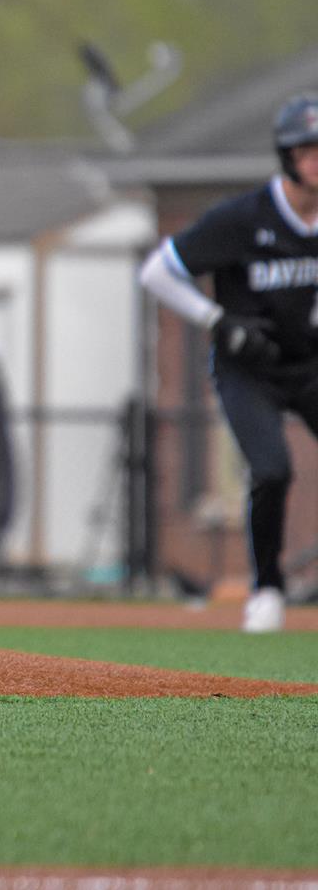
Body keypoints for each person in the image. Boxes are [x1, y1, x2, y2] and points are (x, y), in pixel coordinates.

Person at [137, 92, 318, 633]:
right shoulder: (244, 219)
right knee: (271, 470)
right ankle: (266, 591)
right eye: (308, 152)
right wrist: (217, 320)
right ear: (287, 159)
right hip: (250, 372)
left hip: (310, 366)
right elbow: (156, 272)